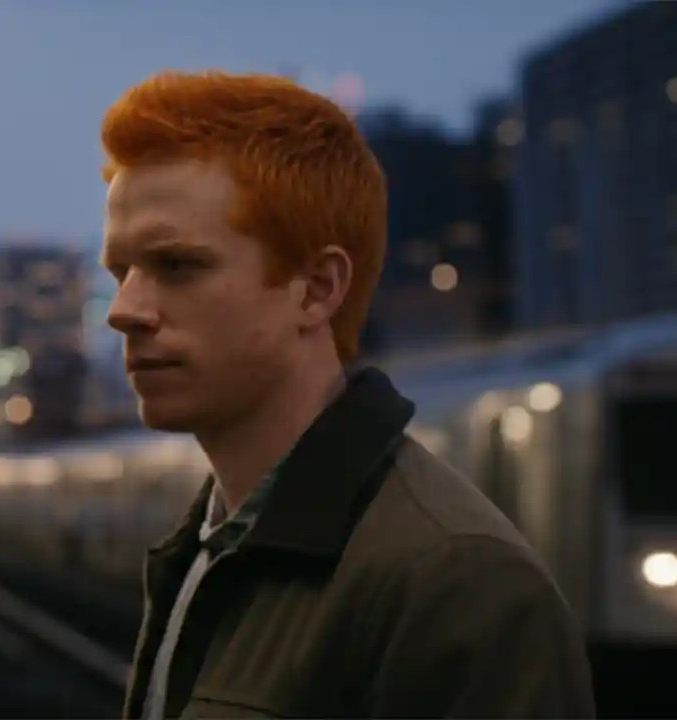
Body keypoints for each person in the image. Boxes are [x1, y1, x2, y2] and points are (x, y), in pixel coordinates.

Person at [98, 71, 595, 719]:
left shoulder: (463, 586)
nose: (123, 310)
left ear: (317, 289)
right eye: (120, 272)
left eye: (176, 265)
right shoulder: (206, 548)